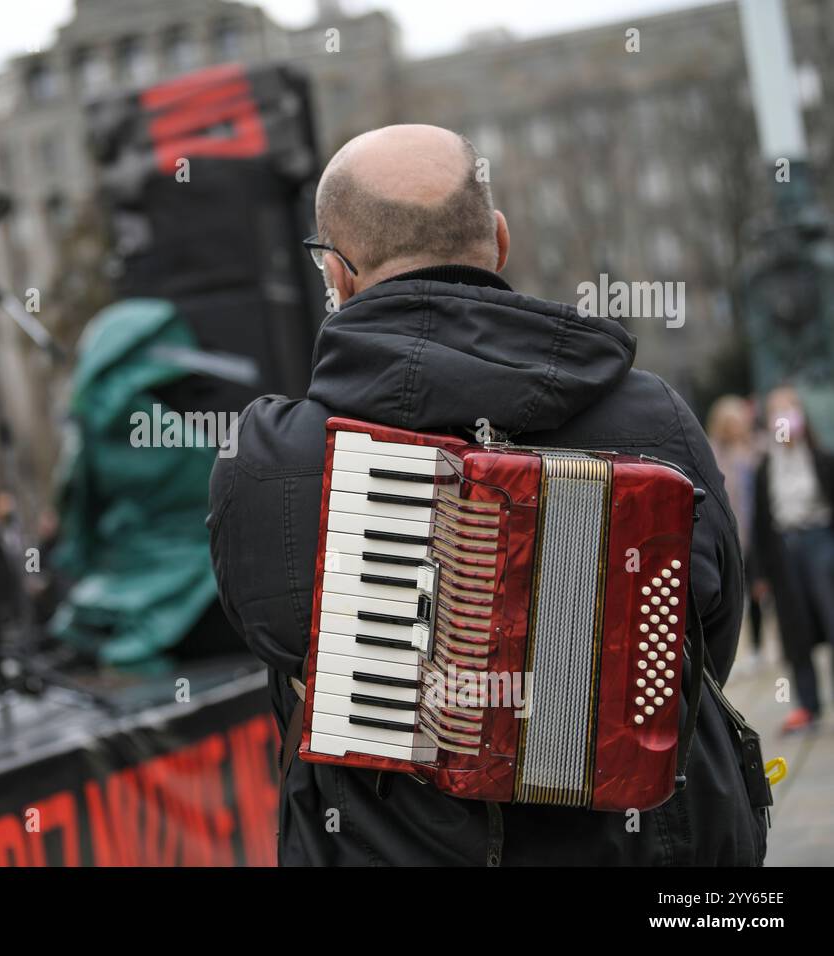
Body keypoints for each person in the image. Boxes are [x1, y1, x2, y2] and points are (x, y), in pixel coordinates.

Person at [208, 124, 766, 865]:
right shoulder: (654, 414)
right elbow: (709, 637)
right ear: (498, 241)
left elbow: (270, 639)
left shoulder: (270, 455)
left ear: (335, 277)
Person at [752, 385, 834, 734]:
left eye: (789, 408)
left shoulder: (820, 458)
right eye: (776, 410)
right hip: (785, 550)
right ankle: (806, 705)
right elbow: (759, 522)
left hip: (821, 541)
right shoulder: (766, 467)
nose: (783, 417)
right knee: (795, 631)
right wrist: (758, 574)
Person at [707, 395, 764, 668]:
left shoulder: (756, 448)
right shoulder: (713, 453)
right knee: (733, 592)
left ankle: (759, 646)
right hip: (732, 534)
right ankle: (735, 651)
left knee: (757, 591)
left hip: (758, 533)